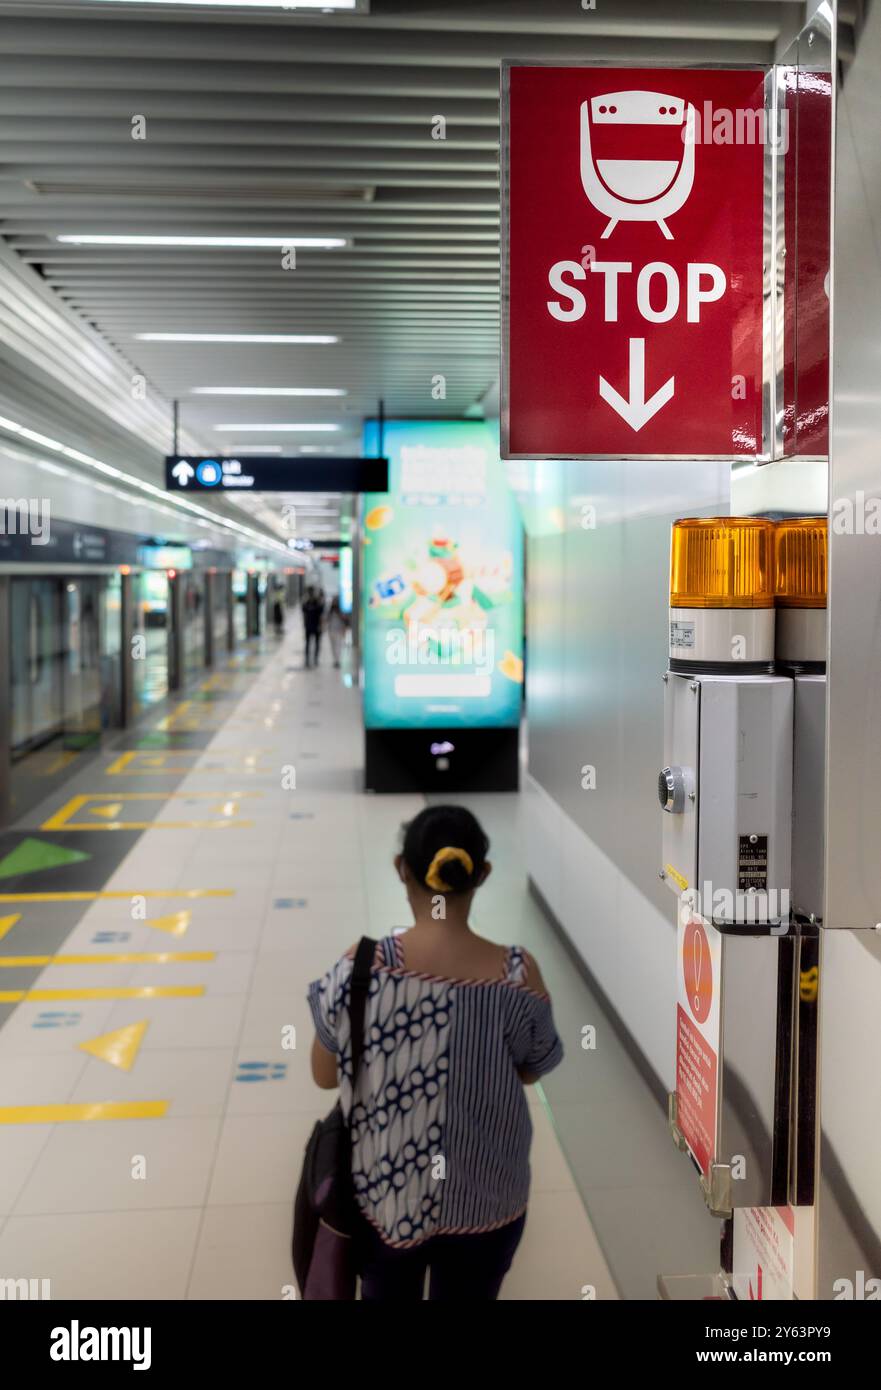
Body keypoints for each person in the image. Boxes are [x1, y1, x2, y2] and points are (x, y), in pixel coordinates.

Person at [307, 805, 563, 1301]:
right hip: (488, 1201)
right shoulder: (517, 975)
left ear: (402, 868)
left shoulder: (360, 969)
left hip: (384, 1198)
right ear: (482, 874)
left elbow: (322, 1074)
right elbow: (532, 1070)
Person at [301, 586, 324, 667]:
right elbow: (304, 613)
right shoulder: (306, 602)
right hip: (309, 626)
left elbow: (321, 613)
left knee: (315, 643)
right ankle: (308, 659)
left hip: (315, 625)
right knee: (308, 643)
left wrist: (320, 625)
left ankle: (315, 658)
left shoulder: (317, 602)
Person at [326, 594, 348, 668]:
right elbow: (326, 619)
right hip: (331, 630)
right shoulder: (330, 611)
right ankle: (335, 659)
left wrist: (344, 629)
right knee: (333, 646)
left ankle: (337, 661)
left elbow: (345, 620)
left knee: (338, 646)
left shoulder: (341, 611)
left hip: (339, 630)